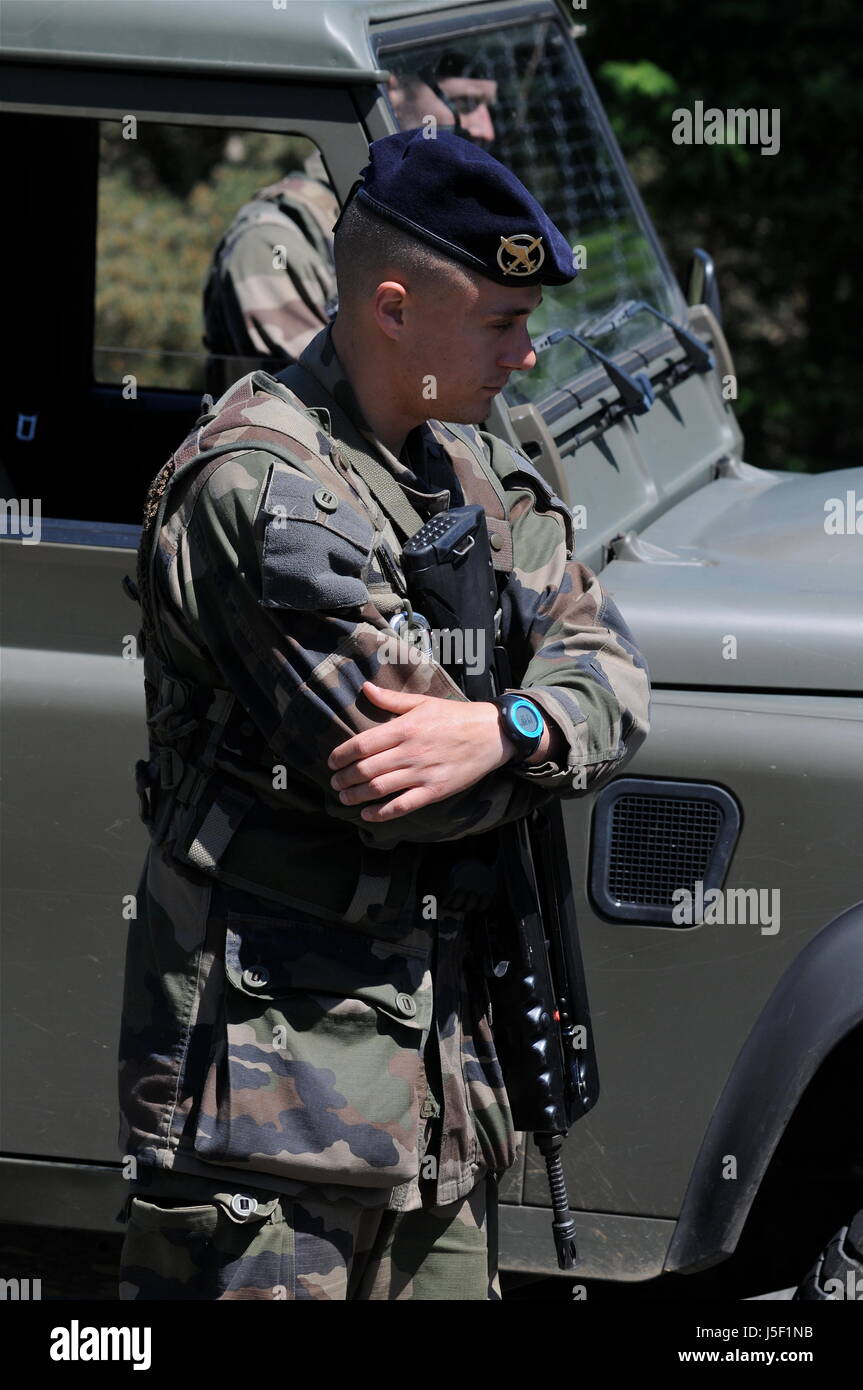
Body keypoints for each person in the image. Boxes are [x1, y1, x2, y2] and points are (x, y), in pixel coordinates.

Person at [118, 128, 651, 1301]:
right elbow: (397, 792)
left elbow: (611, 667)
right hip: (270, 1096)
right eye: (501, 322)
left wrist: (504, 730)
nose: (526, 355)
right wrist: (535, 731)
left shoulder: (464, 458)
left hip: (441, 1085)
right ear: (394, 308)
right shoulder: (258, 488)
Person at [202, 62, 498, 396]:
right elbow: (349, 404)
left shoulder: (412, 216)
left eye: (488, 107)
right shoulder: (272, 242)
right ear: (394, 89)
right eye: (465, 104)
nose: (485, 129)